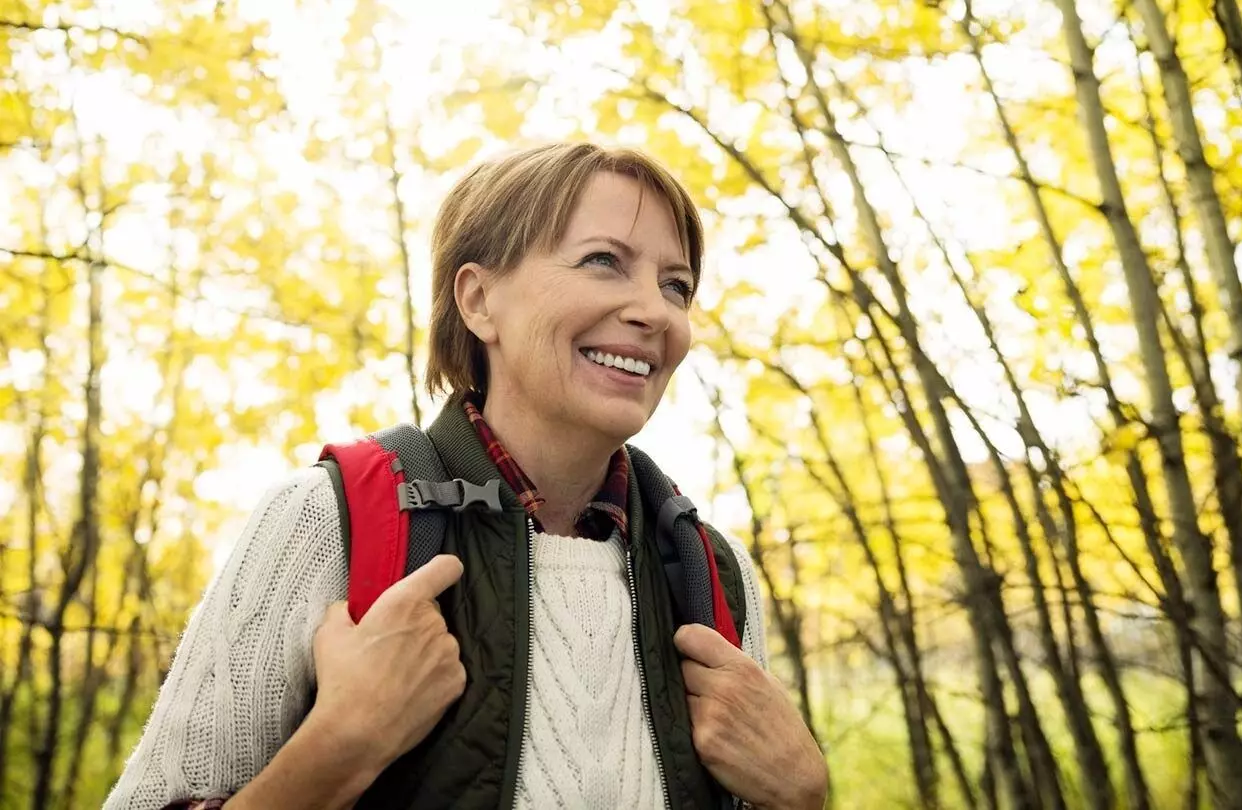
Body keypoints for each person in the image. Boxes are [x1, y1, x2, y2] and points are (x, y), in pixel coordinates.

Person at [105, 142, 828, 810]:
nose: (653, 311)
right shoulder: (326, 522)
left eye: (677, 285)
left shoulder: (707, 572)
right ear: (479, 300)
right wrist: (341, 746)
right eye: (604, 260)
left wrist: (804, 795)